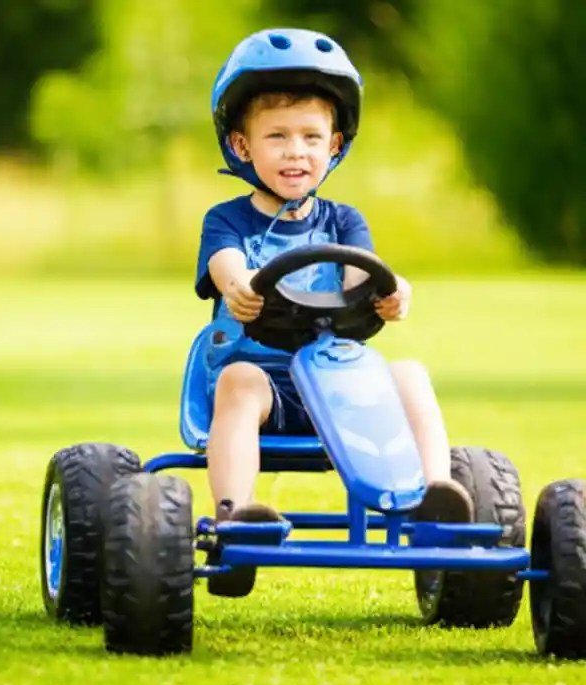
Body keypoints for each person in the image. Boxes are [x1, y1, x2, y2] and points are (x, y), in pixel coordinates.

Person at [196, 29, 473, 596]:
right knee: (240, 381)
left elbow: (364, 272)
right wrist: (239, 286)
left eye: (310, 137)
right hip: (268, 385)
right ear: (243, 146)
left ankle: (437, 500)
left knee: (410, 373)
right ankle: (235, 518)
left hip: (340, 383)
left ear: (334, 145)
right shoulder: (227, 220)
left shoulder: (344, 222)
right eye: (277, 136)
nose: (295, 151)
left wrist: (392, 293)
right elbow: (227, 266)